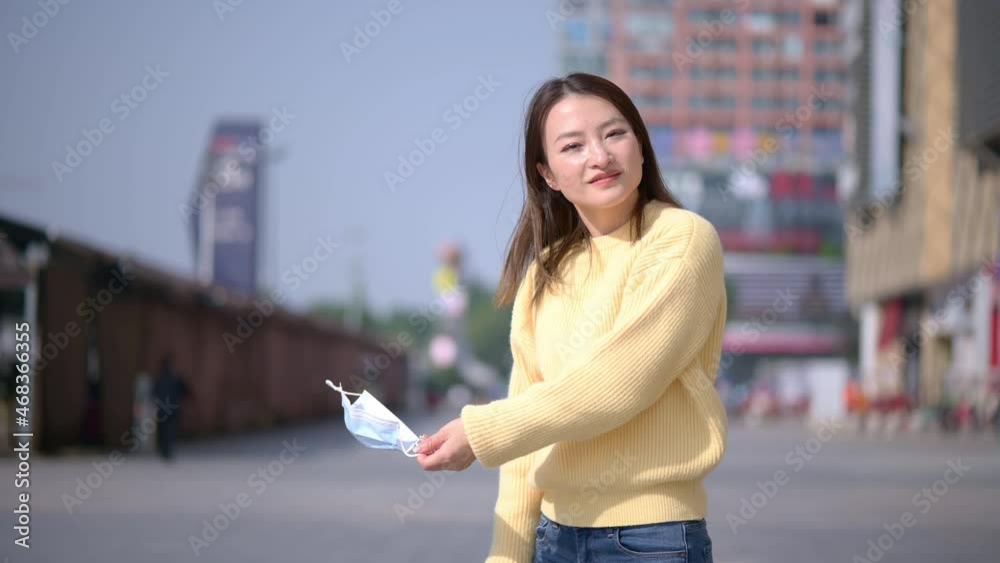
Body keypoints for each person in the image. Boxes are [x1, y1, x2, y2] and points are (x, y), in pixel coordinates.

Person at [414, 73, 728, 562]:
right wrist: (507, 555)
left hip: (650, 540)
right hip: (554, 540)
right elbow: (529, 432)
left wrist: (481, 432)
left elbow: (619, 382)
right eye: (573, 146)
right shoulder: (545, 271)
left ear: (641, 148)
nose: (599, 156)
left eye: (614, 134)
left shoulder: (681, 240)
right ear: (548, 174)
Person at [152, 354, 191, 461]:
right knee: (170, 430)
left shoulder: (159, 379)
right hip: (173, 409)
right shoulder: (176, 378)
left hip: (161, 410)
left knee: (163, 430)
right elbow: (186, 391)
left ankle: (163, 450)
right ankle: (168, 450)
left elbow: (153, 393)